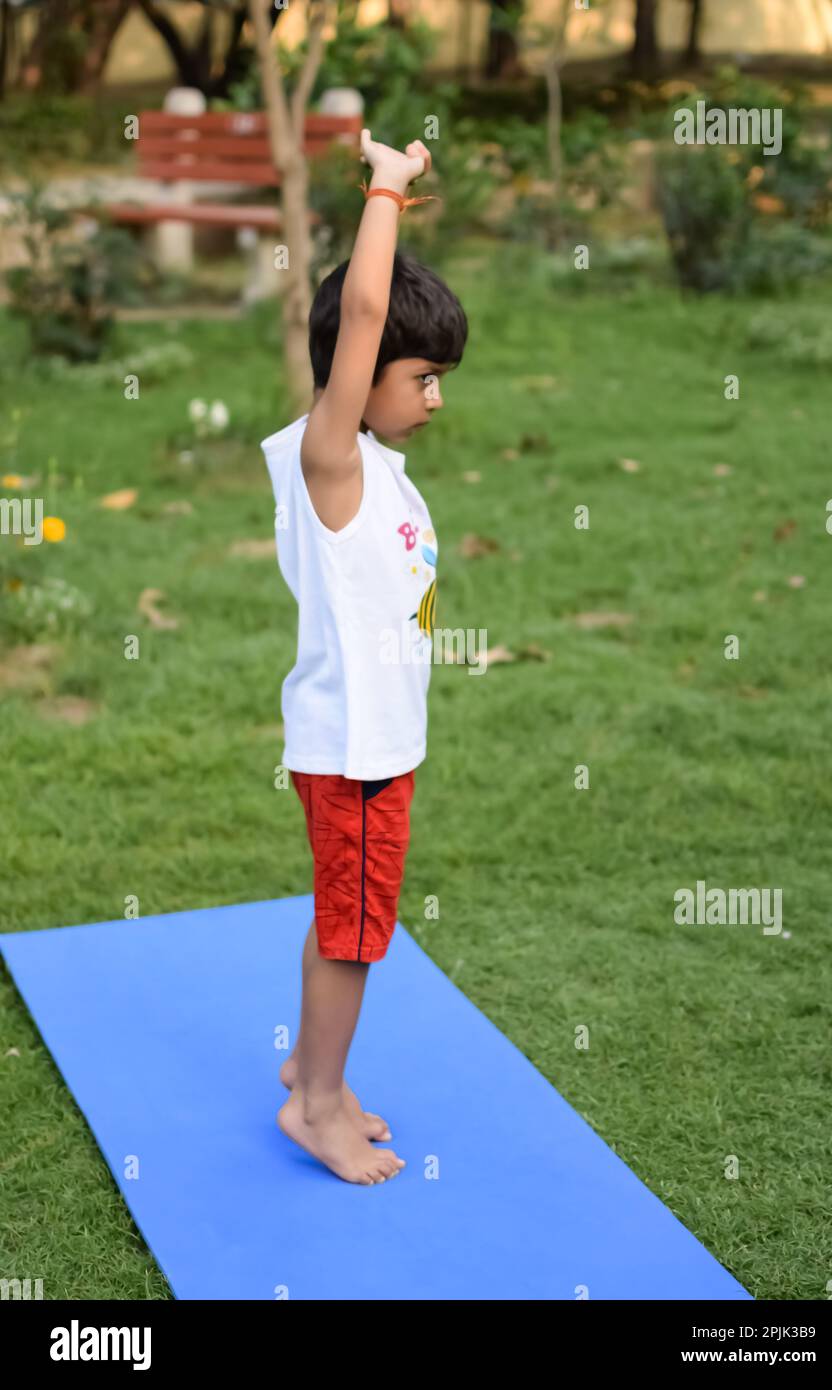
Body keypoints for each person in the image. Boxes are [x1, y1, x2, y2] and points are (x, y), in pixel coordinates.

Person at [260, 130, 468, 1185]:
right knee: (351, 934)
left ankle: (307, 1061)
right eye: (421, 376)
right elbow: (364, 321)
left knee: (339, 916)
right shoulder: (331, 460)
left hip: (371, 745)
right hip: (354, 755)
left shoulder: (372, 468)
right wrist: (387, 188)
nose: (435, 396)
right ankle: (320, 1105)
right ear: (361, 371)